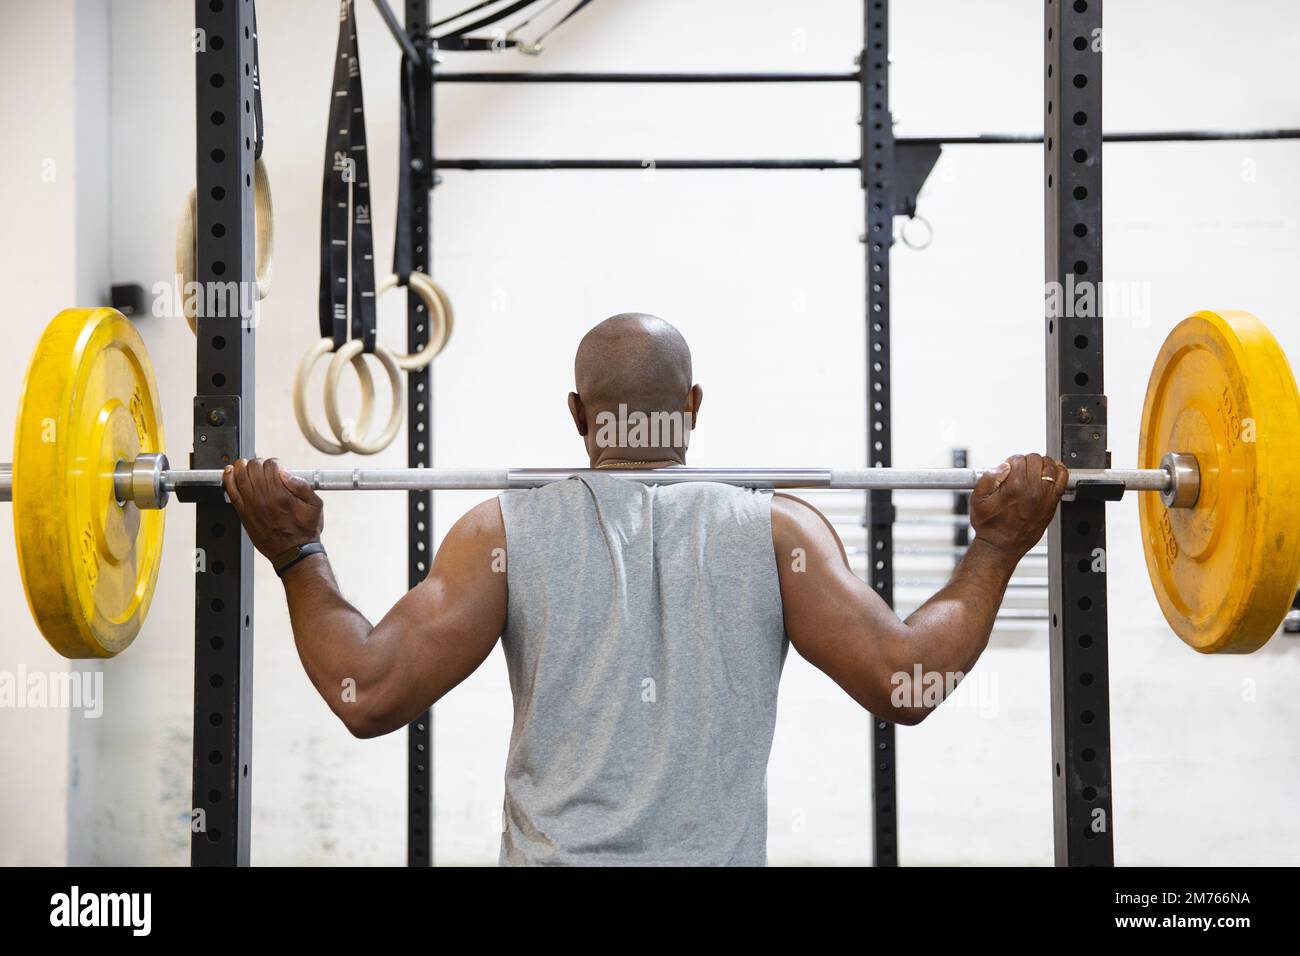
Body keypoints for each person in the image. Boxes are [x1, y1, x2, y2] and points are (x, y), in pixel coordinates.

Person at [223, 312, 1067, 865]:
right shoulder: (779, 533)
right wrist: (997, 545)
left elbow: (366, 692)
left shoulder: (501, 534)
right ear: (693, 406)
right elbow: (905, 680)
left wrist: (298, 554)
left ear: (578, 414)